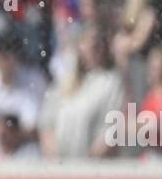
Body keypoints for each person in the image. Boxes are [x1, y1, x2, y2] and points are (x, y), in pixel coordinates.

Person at [39, 25, 123, 159]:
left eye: (97, 44)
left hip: (92, 169)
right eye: (87, 42)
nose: (92, 48)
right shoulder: (64, 81)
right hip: (59, 168)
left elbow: (111, 130)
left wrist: (88, 162)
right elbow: (47, 125)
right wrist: (55, 159)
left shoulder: (111, 83)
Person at [0, 30, 48, 158]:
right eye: (3, 57)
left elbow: (34, 129)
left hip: (26, 145)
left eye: (10, 56)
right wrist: (2, 132)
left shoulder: (35, 79)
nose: (7, 62)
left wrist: (8, 133)